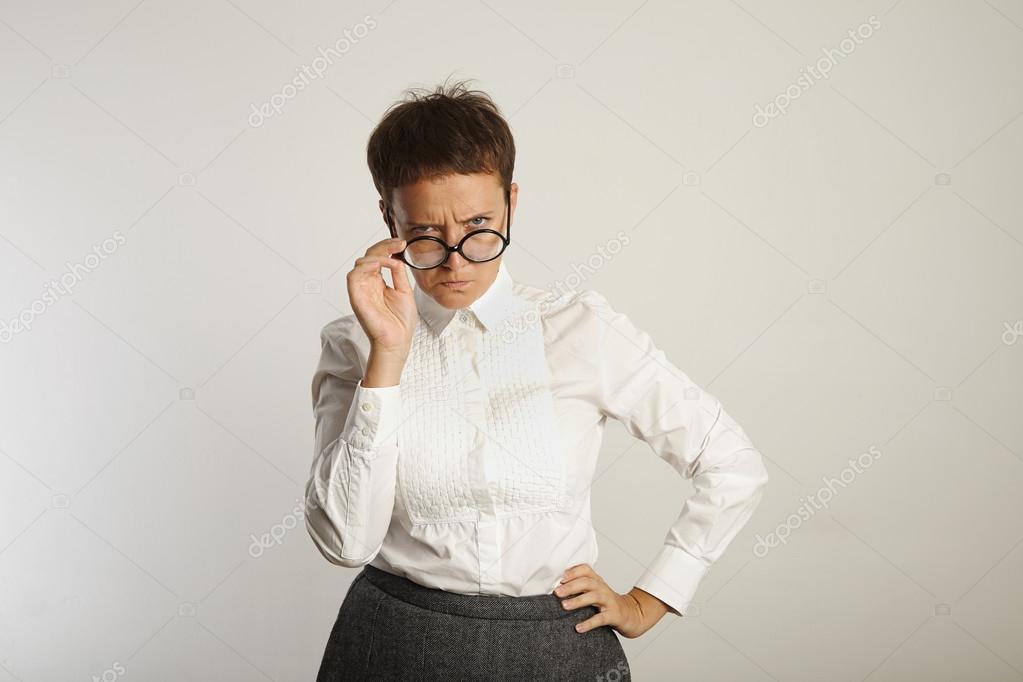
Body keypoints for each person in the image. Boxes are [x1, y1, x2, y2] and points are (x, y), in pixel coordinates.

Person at [305, 79, 770, 680]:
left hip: (556, 650)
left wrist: (652, 598)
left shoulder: (580, 329)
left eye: (479, 226)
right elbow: (344, 543)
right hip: (391, 647)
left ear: (511, 204)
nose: (456, 261)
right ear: (388, 217)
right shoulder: (353, 345)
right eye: (425, 235)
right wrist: (388, 356)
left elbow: (733, 463)